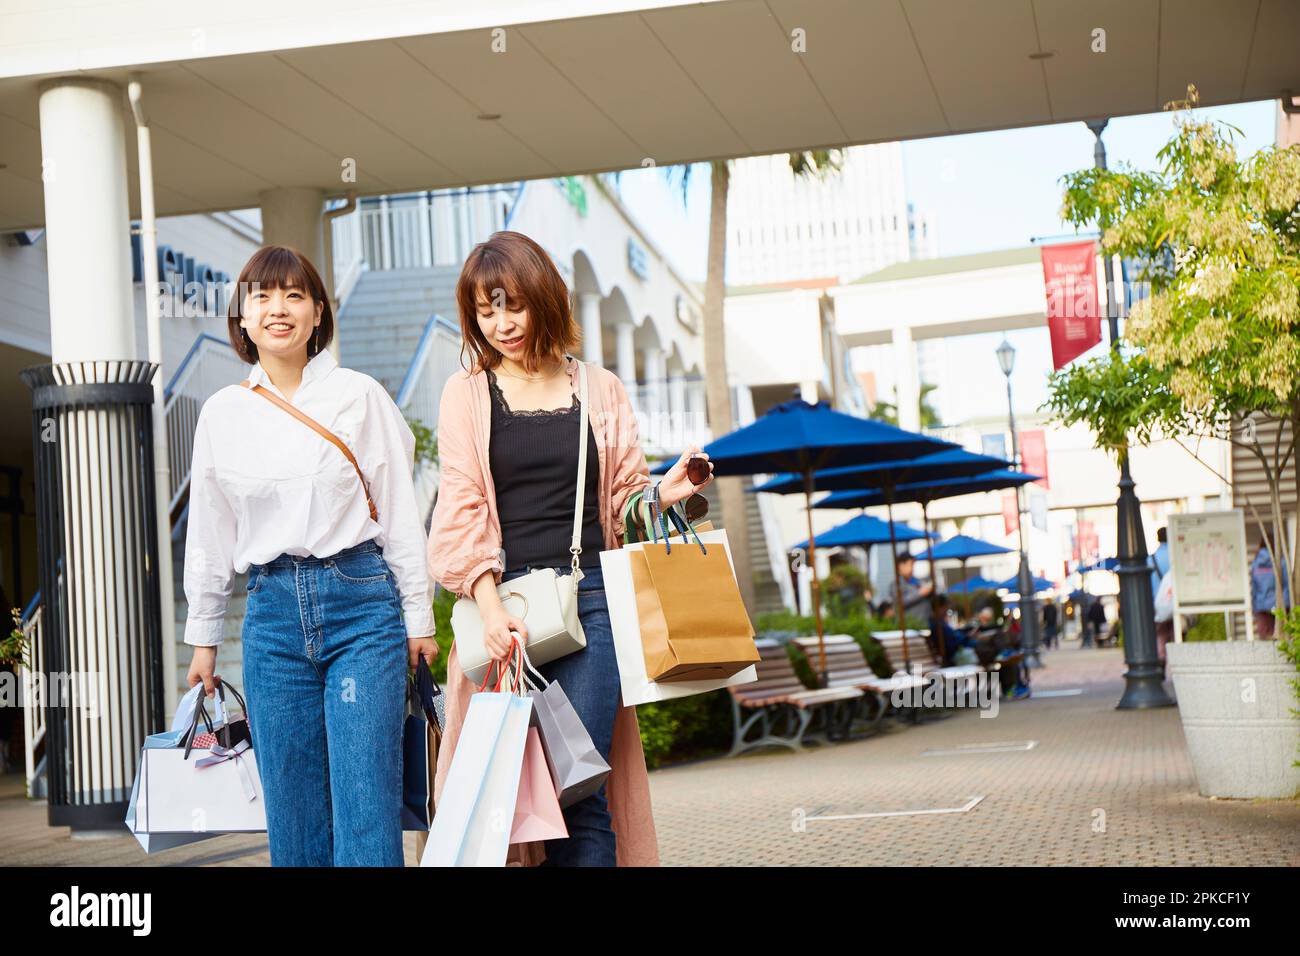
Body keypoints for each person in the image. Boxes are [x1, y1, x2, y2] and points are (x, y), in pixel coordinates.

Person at [426, 230, 714, 867]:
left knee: (578, 785)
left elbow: (624, 503)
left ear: (543, 298)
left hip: (589, 605)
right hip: (499, 611)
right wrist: (489, 604)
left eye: (513, 305)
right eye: (485, 309)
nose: (501, 323)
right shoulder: (465, 395)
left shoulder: (600, 388)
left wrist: (664, 494)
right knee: (503, 798)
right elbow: (461, 505)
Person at [184, 245, 439, 867]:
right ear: (241, 317)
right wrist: (203, 637)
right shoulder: (222, 413)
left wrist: (419, 619)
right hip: (271, 616)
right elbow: (210, 532)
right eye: (262, 296)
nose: (279, 308)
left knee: (365, 801)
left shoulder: (359, 396)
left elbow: (400, 512)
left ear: (319, 313)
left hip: (361, 607)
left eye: (295, 295)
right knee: (293, 816)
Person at [1250, 540, 1289, 640]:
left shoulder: (1255, 564)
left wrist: (1255, 607)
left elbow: (1254, 588)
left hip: (1261, 607)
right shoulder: (1281, 561)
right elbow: (1287, 585)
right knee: (1283, 638)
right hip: (1279, 606)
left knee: (1265, 642)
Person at [928, 594, 977, 666]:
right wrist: (968, 637)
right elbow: (951, 646)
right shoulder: (938, 625)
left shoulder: (939, 623)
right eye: (945, 607)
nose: (947, 609)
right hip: (955, 656)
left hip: (959, 651)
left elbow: (952, 638)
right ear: (939, 608)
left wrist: (965, 634)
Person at [883, 552, 933, 619]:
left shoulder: (917, 581)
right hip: (910, 625)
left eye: (913, 565)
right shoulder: (896, 584)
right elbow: (899, 602)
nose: (912, 568)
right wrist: (920, 593)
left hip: (925, 623)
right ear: (901, 565)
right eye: (910, 565)